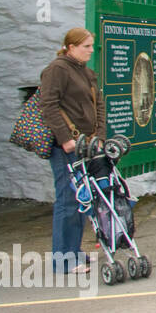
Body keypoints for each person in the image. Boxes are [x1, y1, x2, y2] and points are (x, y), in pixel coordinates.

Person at [39, 28, 105, 274]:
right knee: (68, 199)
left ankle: (74, 251)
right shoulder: (57, 69)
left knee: (82, 198)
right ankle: (63, 259)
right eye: (86, 46)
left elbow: (99, 104)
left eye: (91, 46)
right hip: (65, 147)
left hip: (86, 144)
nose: (90, 50)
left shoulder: (86, 72)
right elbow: (49, 106)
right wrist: (65, 138)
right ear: (70, 46)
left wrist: (99, 136)